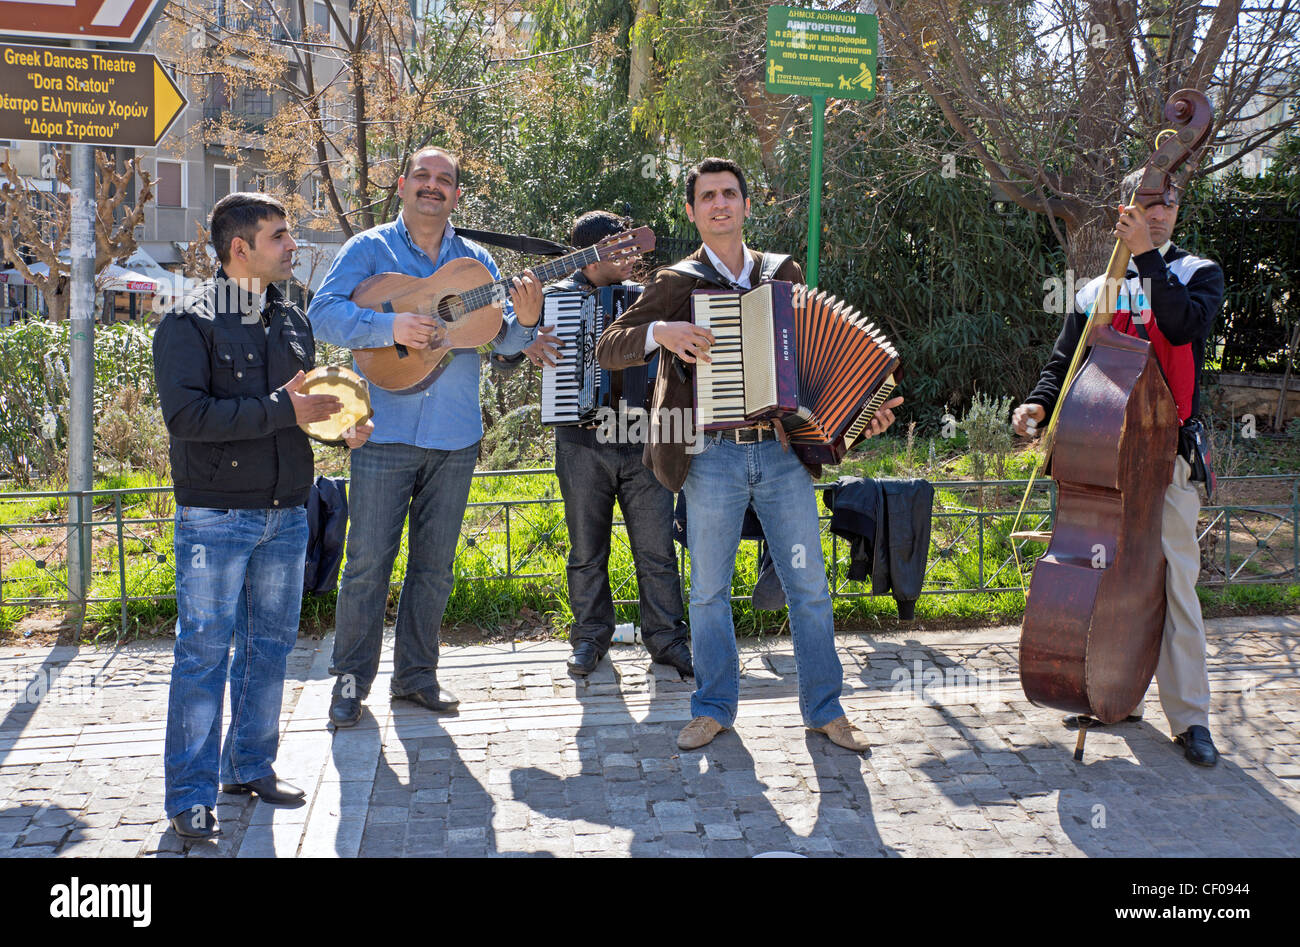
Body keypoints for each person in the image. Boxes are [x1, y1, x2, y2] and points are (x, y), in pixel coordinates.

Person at [595, 158, 901, 752]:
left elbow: (816, 373)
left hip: (782, 454)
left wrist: (861, 416)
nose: (719, 204)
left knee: (809, 586)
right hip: (711, 456)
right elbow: (610, 347)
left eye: (729, 194)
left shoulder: (778, 272)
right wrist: (662, 335)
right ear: (691, 211)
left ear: (745, 205)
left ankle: (824, 709)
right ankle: (712, 707)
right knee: (709, 590)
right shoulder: (673, 284)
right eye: (706, 196)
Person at [154, 192, 373, 840]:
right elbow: (186, 419)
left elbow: (308, 404)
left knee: (269, 648)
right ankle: (190, 796)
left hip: (286, 512)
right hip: (215, 518)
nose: (292, 245)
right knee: (203, 656)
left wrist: (342, 428)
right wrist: (285, 409)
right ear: (239, 248)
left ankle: (250, 765)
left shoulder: (291, 313)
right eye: (279, 236)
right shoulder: (187, 320)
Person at [309, 147, 544, 728]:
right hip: (382, 431)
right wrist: (392, 324)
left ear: (457, 194)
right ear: (402, 184)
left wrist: (529, 318)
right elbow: (323, 313)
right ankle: (349, 681)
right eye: (422, 176)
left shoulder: (476, 261)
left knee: (434, 568)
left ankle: (416, 677)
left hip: (455, 433)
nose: (432, 187)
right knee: (366, 564)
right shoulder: (369, 249)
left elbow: (504, 339)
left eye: (445, 180)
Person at [1011, 174, 1225, 766]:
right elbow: (1068, 362)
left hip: (1168, 457)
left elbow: (1181, 325)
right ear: (1125, 210)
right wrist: (1038, 402)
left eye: (1169, 205)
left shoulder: (1195, 273)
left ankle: (1190, 719)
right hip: (1103, 456)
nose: (1159, 214)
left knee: (1175, 584)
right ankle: (1113, 690)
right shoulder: (1096, 290)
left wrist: (1147, 258)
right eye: (1148, 205)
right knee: (1108, 576)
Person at [531, 210, 693, 678]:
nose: (632, 254)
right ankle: (589, 638)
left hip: (643, 439)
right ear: (593, 251)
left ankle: (667, 640)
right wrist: (527, 341)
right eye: (621, 246)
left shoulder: (650, 296)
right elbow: (507, 349)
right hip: (582, 440)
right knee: (586, 549)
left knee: (657, 549)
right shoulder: (553, 297)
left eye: (632, 245)